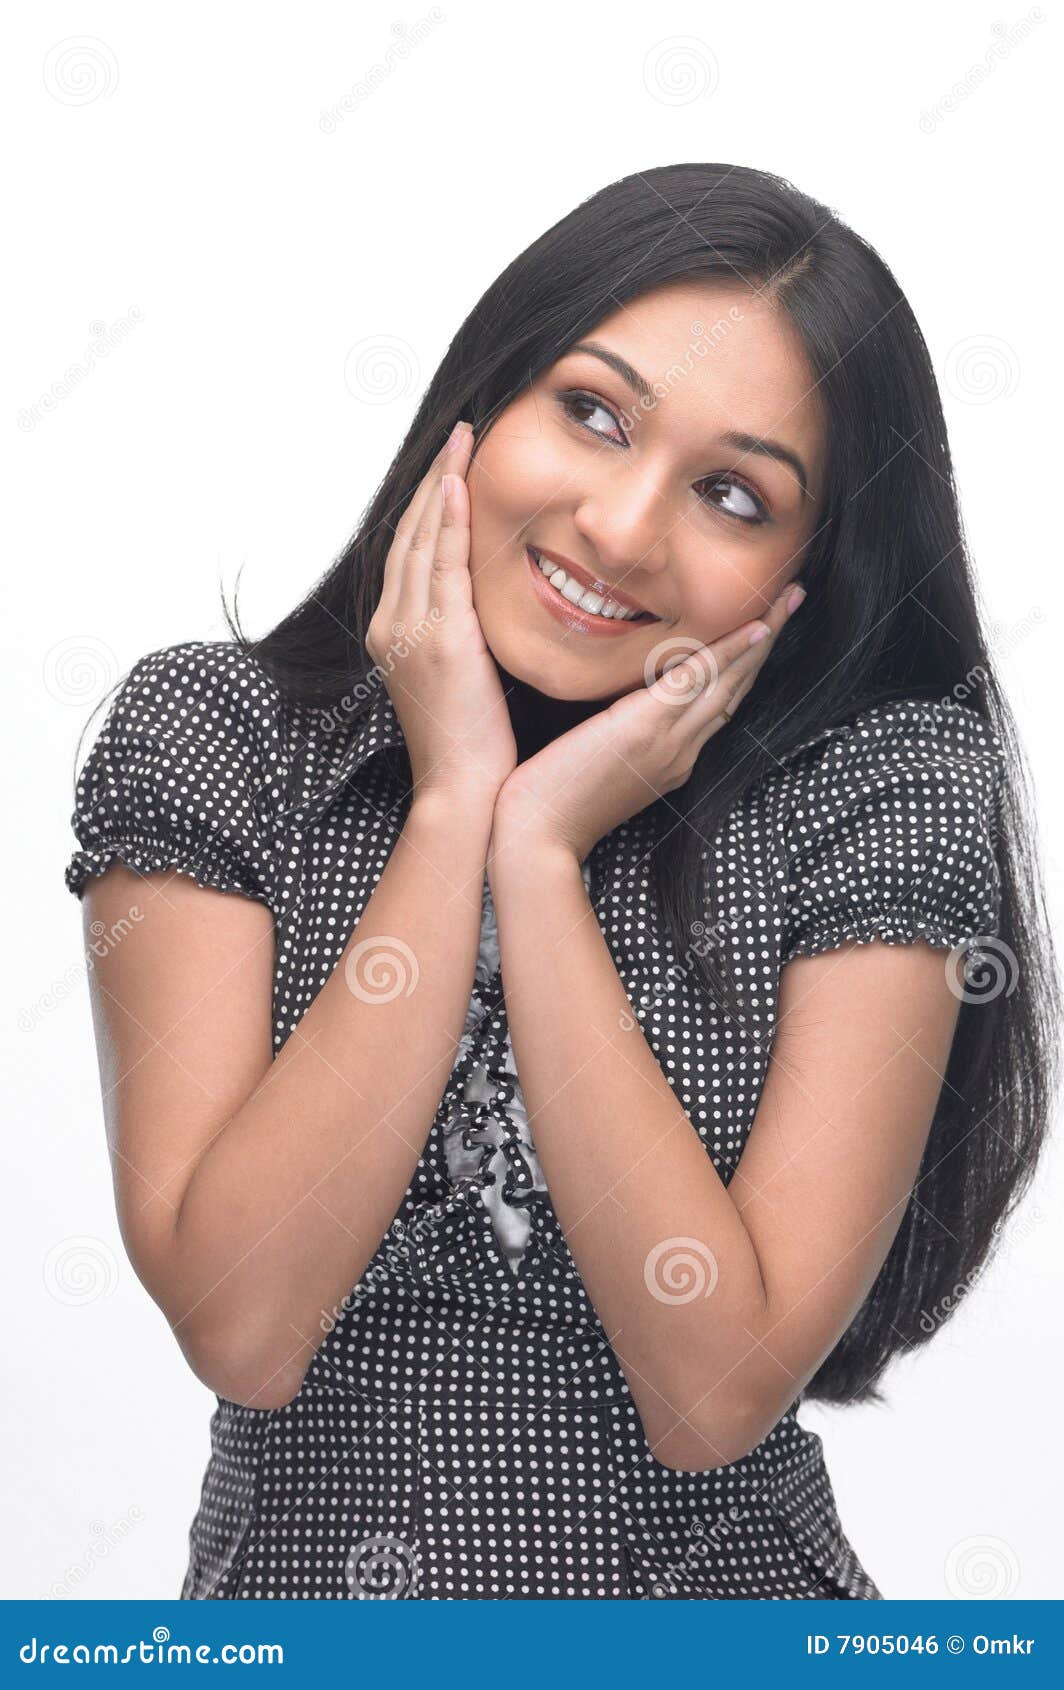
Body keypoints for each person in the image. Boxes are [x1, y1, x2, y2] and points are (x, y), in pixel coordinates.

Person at [64, 162, 1059, 1600]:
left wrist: (539, 862)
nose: (619, 527)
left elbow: (713, 1394)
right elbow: (246, 1320)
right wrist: (455, 803)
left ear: (809, 566)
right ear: (484, 399)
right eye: (592, 413)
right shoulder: (216, 740)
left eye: (732, 492)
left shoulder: (881, 793)